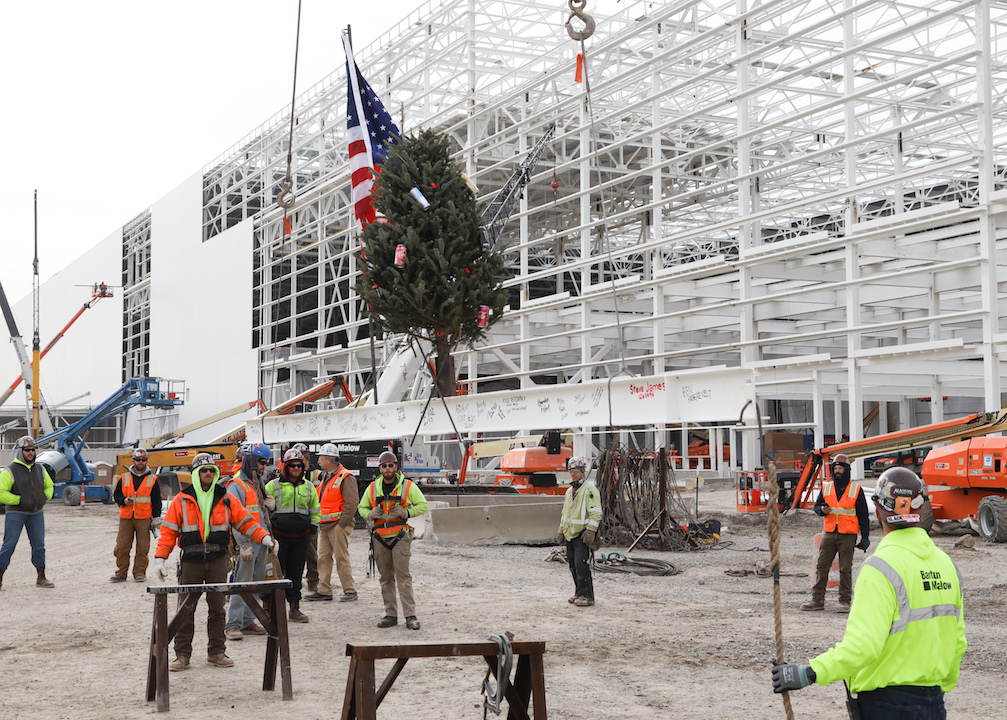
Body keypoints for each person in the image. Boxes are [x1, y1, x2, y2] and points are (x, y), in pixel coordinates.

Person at [772, 467, 967, 718]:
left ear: (878, 511)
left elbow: (863, 647)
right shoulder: (947, 565)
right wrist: (940, 686)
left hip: (888, 704)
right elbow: (958, 642)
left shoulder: (881, 568)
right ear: (921, 509)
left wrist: (807, 674)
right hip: (934, 702)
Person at [153, 453, 275, 671]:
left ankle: (217, 652)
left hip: (218, 558)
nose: (208, 473)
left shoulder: (226, 497)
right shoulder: (182, 499)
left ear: (215, 473)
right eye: (203, 470)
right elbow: (168, 531)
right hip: (191, 560)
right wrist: (160, 559)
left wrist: (264, 537)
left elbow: (246, 522)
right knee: (185, 609)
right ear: (195, 474)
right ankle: (182, 655)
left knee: (217, 608)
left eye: (211, 470)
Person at [357, 450, 428, 630]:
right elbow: (362, 508)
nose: (387, 468)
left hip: (400, 537)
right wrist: (369, 514)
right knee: (386, 577)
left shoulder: (408, 486)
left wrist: (407, 513)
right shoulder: (373, 488)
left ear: (395, 467)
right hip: (380, 538)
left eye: (390, 465)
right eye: (384, 466)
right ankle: (391, 615)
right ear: (380, 468)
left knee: (403, 576)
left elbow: (423, 505)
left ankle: (410, 616)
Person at [802, 453, 870, 613]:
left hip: (848, 534)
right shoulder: (827, 488)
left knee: (845, 569)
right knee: (821, 567)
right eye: (836, 468)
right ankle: (817, 600)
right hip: (830, 533)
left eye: (841, 468)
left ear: (847, 470)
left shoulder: (856, 489)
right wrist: (821, 510)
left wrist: (865, 537)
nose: (838, 471)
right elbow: (817, 506)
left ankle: (845, 601)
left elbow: (863, 515)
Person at [264, 447, 320, 624]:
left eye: (299, 465)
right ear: (286, 467)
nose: (296, 468)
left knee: (296, 573)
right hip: (278, 538)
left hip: (301, 537)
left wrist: (312, 528)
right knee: (273, 573)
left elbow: (315, 510)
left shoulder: (310, 487)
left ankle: (294, 608)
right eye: (292, 465)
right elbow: (263, 510)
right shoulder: (272, 486)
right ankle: (268, 608)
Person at [224, 443, 272, 641]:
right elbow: (234, 518)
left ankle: (247, 620)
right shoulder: (236, 485)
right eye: (262, 462)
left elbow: (259, 514)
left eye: (266, 463)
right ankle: (233, 624)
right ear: (251, 461)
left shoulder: (257, 483)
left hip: (260, 540)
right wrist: (243, 544)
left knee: (256, 583)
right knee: (242, 582)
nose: (264, 467)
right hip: (247, 543)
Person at [0, 436, 55, 590]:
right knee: (9, 545)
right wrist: (19, 500)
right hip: (16, 513)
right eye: (27, 450)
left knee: (39, 545)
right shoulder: (10, 471)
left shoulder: (40, 469)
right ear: (20, 451)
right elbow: (1, 492)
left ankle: (41, 577)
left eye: (33, 450)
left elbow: (49, 486)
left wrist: (44, 497)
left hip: (36, 513)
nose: (31, 453)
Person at [306, 443, 358, 603]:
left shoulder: (345, 477)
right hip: (326, 525)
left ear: (329, 459)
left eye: (321, 458)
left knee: (341, 557)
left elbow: (352, 503)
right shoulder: (327, 476)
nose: (319, 462)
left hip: (337, 526)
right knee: (323, 558)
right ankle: (324, 590)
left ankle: (350, 590)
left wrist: (342, 525)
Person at [111, 448, 162, 583]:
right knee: (122, 546)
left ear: (146, 461)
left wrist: (156, 518)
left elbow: (156, 500)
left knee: (142, 548)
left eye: (143, 460)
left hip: (144, 518)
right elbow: (116, 495)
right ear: (133, 460)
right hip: (126, 517)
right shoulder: (124, 478)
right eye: (138, 459)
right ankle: (121, 573)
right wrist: (124, 501)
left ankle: (139, 573)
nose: (141, 462)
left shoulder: (153, 479)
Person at [556, 456, 601, 608]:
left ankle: (588, 596)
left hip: (581, 535)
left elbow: (596, 512)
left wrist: (591, 531)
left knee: (581, 565)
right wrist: (561, 531)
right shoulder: (569, 492)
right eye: (571, 471)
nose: (573, 474)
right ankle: (578, 592)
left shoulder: (589, 490)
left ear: (582, 471)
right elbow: (565, 513)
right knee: (573, 566)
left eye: (576, 471)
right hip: (570, 533)